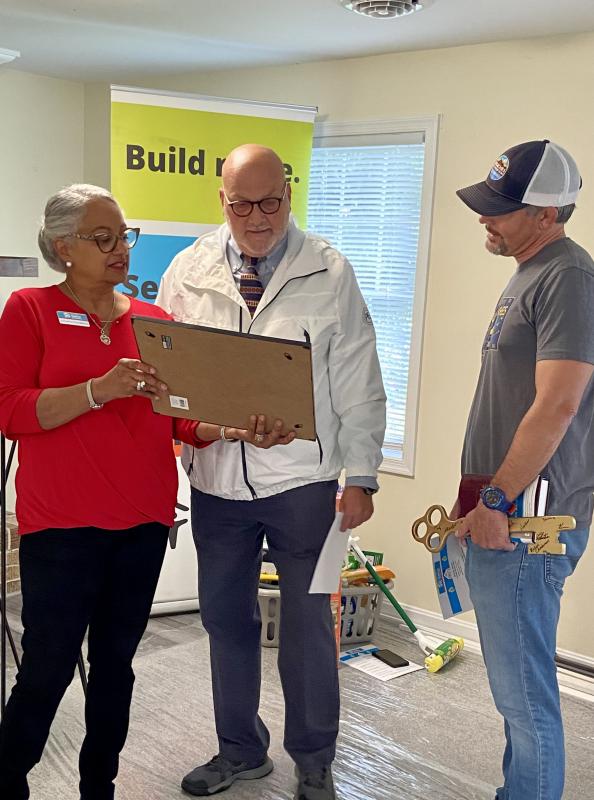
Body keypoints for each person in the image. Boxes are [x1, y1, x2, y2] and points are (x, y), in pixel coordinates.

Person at [0, 183, 287, 800]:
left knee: (114, 670)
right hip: (62, 526)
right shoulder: (29, 309)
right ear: (62, 248)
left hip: (142, 524)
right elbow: (11, 411)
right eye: (100, 238)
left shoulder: (157, 321)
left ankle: (99, 785)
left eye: (122, 236)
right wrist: (97, 391)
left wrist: (229, 427)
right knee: (47, 668)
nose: (118, 250)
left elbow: (182, 420)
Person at [157, 144, 386, 800]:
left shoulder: (330, 273)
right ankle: (240, 750)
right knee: (226, 619)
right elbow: (174, 370)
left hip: (303, 485)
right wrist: (207, 425)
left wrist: (363, 477)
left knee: (308, 625)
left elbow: (359, 383)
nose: (258, 218)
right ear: (220, 201)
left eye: (271, 202)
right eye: (241, 204)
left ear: (289, 194)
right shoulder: (188, 269)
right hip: (216, 483)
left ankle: (314, 759)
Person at [454, 140, 594, 800]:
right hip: (503, 510)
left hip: (525, 519)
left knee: (525, 698)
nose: (487, 219)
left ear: (546, 213)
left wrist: (499, 500)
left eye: (501, 210)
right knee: (516, 696)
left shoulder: (567, 275)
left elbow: (559, 402)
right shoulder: (531, 272)